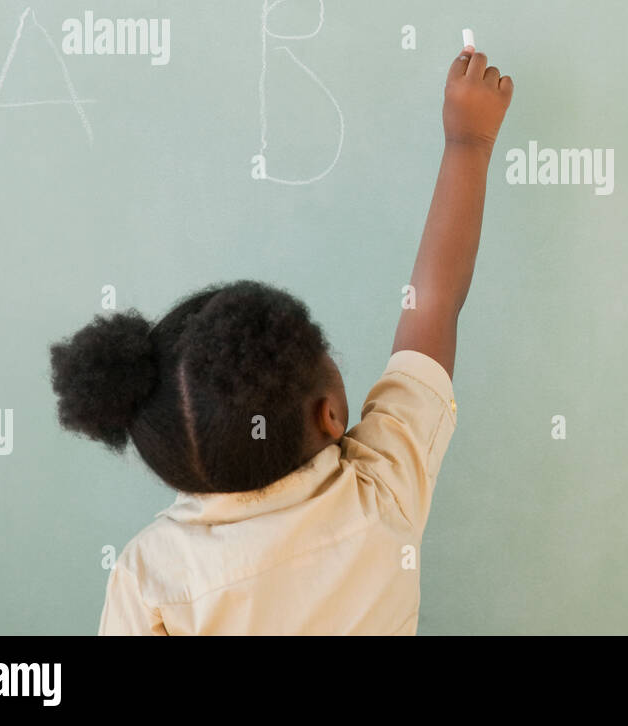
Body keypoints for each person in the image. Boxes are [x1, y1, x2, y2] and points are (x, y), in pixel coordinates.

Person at [49, 42, 512, 634]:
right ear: (330, 414)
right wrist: (468, 144)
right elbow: (434, 305)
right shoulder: (381, 490)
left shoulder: (149, 577)